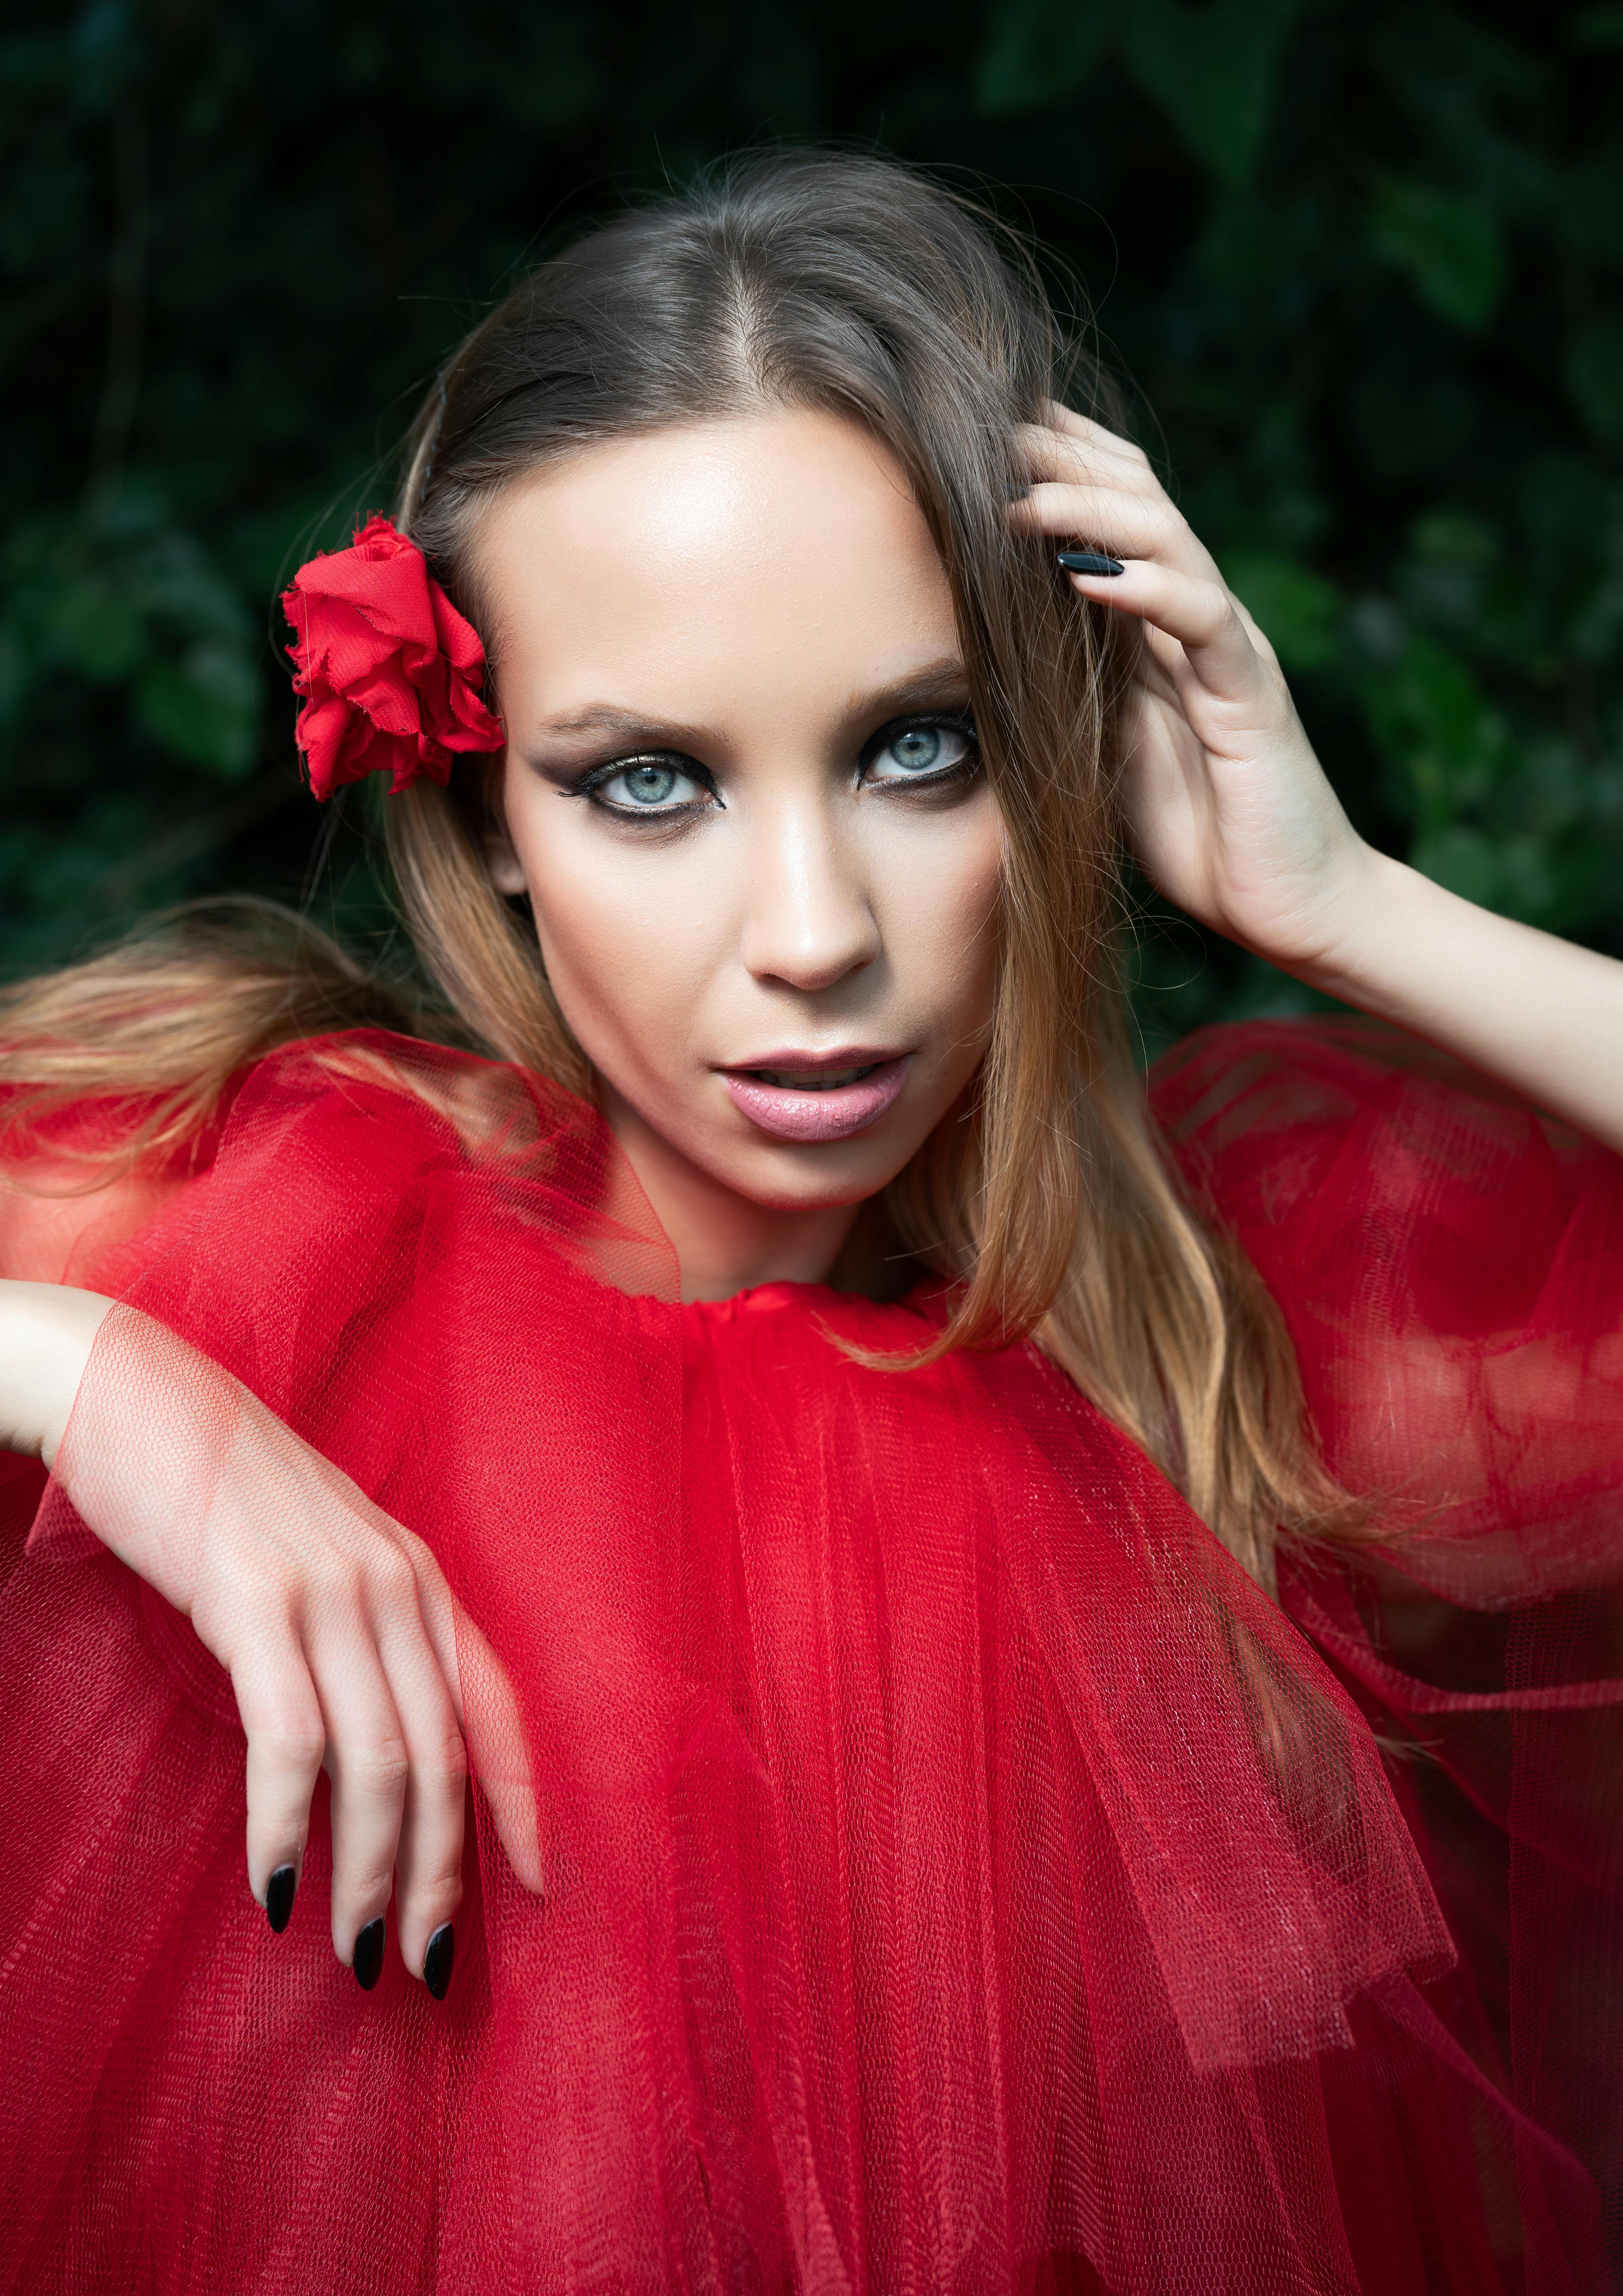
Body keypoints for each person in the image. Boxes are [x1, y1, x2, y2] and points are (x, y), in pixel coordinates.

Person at [0, 151, 1618, 2296]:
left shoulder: (1219, 1378)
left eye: (921, 750)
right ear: (486, 805)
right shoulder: (227, 1218)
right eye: (648, 780)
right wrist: (88, 1376)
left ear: (1063, 751)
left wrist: (1343, 904)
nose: (813, 933)